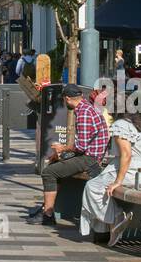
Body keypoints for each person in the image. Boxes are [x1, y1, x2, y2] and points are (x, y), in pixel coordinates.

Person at [27, 86, 110, 226]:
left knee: (48, 172)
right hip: (89, 156)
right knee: (54, 164)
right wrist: (60, 155)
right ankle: (45, 208)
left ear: (67, 99)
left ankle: (47, 214)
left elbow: (81, 147)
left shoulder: (84, 113)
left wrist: (62, 148)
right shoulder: (87, 108)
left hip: (90, 160)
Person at [81, 112, 141, 246]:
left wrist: (118, 181)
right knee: (97, 184)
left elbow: (126, 155)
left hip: (132, 172)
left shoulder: (121, 125)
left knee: (92, 186)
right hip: (139, 171)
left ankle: (116, 216)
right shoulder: (134, 124)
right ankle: (108, 229)